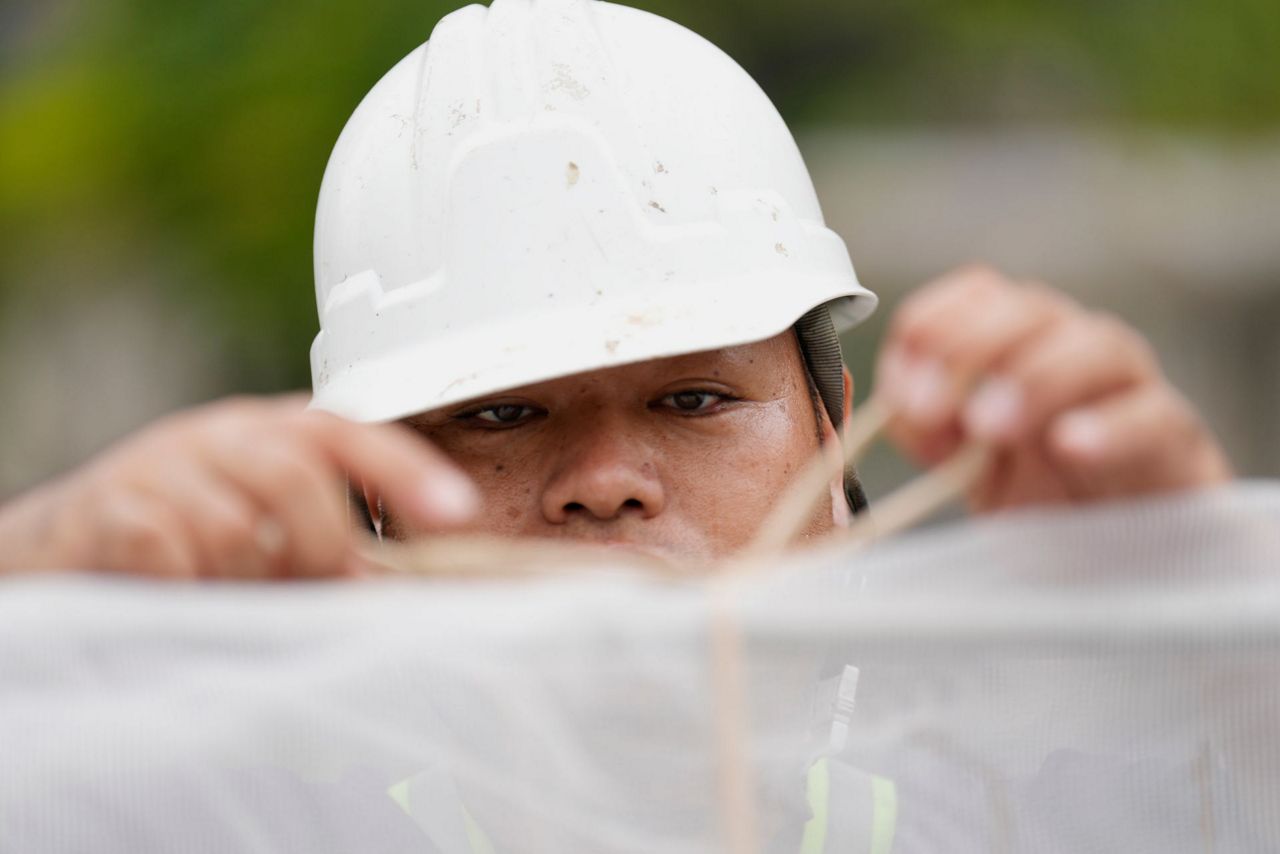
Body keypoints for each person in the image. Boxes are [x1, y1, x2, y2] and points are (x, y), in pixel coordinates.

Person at [0, 0, 1232, 581]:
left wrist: (1199, 606)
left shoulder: (1030, 772)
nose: (603, 482)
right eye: (496, 412)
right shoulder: (244, 807)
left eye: (693, 398)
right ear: (367, 495)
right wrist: (39, 601)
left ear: (830, 414)